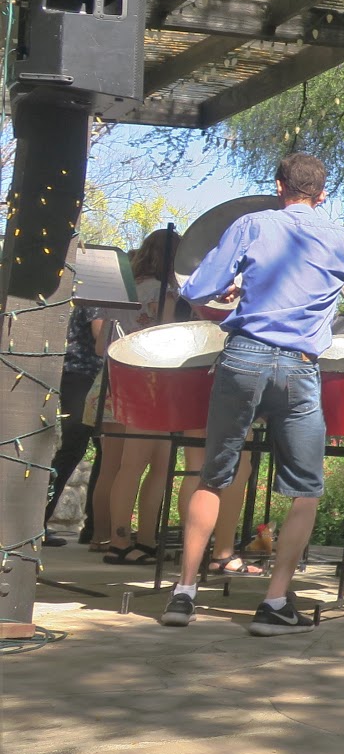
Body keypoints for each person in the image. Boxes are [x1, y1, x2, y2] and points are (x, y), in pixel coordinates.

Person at [162, 154, 344, 633]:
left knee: (213, 477)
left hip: (244, 358)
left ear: (279, 186)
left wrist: (230, 291)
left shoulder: (252, 224)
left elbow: (199, 287)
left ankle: (183, 595)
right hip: (299, 369)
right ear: (324, 194)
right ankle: (274, 605)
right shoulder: (339, 238)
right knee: (306, 491)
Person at [100, 229, 186, 565]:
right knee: (145, 465)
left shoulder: (126, 288)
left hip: (126, 378)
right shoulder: (165, 293)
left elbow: (104, 342)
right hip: (152, 381)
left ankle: (133, 540)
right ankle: (128, 542)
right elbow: (164, 338)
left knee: (140, 465)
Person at [43, 300, 105, 544]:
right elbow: (101, 339)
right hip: (80, 374)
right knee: (73, 447)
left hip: (93, 375)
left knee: (104, 449)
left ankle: (94, 529)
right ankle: (37, 521)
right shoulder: (99, 298)